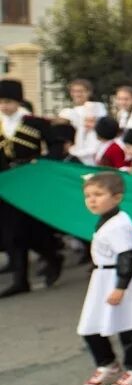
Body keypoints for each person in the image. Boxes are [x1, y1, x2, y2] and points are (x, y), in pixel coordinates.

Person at [77, 172, 132, 385]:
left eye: (98, 194)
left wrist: (120, 287)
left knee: (127, 325)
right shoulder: (111, 220)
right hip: (103, 278)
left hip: (118, 279)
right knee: (90, 325)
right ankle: (107, 364)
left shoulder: (117, 225)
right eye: (88, 195)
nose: (91, 200)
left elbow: (126, 256)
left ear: (117, 197)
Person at [1, 79, 63, 297]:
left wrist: (44, 161)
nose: (3, 106)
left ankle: (53, 257)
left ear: (18, 101)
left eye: (8, 101)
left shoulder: (35, 122)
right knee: (10, 233)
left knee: (31, 230)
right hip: (5, 184)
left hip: (30, 182)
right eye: (0, 102)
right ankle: (20, 280)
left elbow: (57, 144)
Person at [59, 79, 107, 165]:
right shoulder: (70, 111)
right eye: (74, 91)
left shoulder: (98, 108)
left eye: (81, 91)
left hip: (95, 151)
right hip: (78, 150)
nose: (77, 94)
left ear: (89, 92)